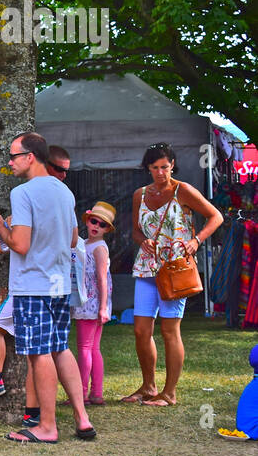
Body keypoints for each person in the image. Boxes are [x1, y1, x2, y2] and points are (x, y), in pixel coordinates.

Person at [0, 132, 96, 443]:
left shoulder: (23, 193)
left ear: (30, 157)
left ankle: (47, 427)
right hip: (60, 283)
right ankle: (82, 418)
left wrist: (0, 228)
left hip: (32, 284)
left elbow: (20, 244)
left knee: (38, 354)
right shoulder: (64, 192)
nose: (10, 162)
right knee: (61, 348)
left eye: (14, 156)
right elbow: (73, 239)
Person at [123, 143, 223, 406]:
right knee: (141, 330)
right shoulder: (139, 195)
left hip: (176, 268)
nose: (160, 172)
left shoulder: (184, 190)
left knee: (170, 330)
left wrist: (197, 240)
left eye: (164, 167)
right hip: (147, 268)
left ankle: (169, 393)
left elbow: (216, 217)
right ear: (148, 168)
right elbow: (134, 230)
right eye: (155, 167)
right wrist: (142, 240)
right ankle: (148, 386)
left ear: (172, 165)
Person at [74, 202, 115, 406]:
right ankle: (96, 393)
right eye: (93, 221)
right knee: (92, 348)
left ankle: (81, 394)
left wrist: (102, 307)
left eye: (102, 224)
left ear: (107, 229)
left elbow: (102, 278)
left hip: (91, 302)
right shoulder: (85, 244)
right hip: (90, 301)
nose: (96, 226)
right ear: (87, 220)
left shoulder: (99, 248)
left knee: (85, 348)